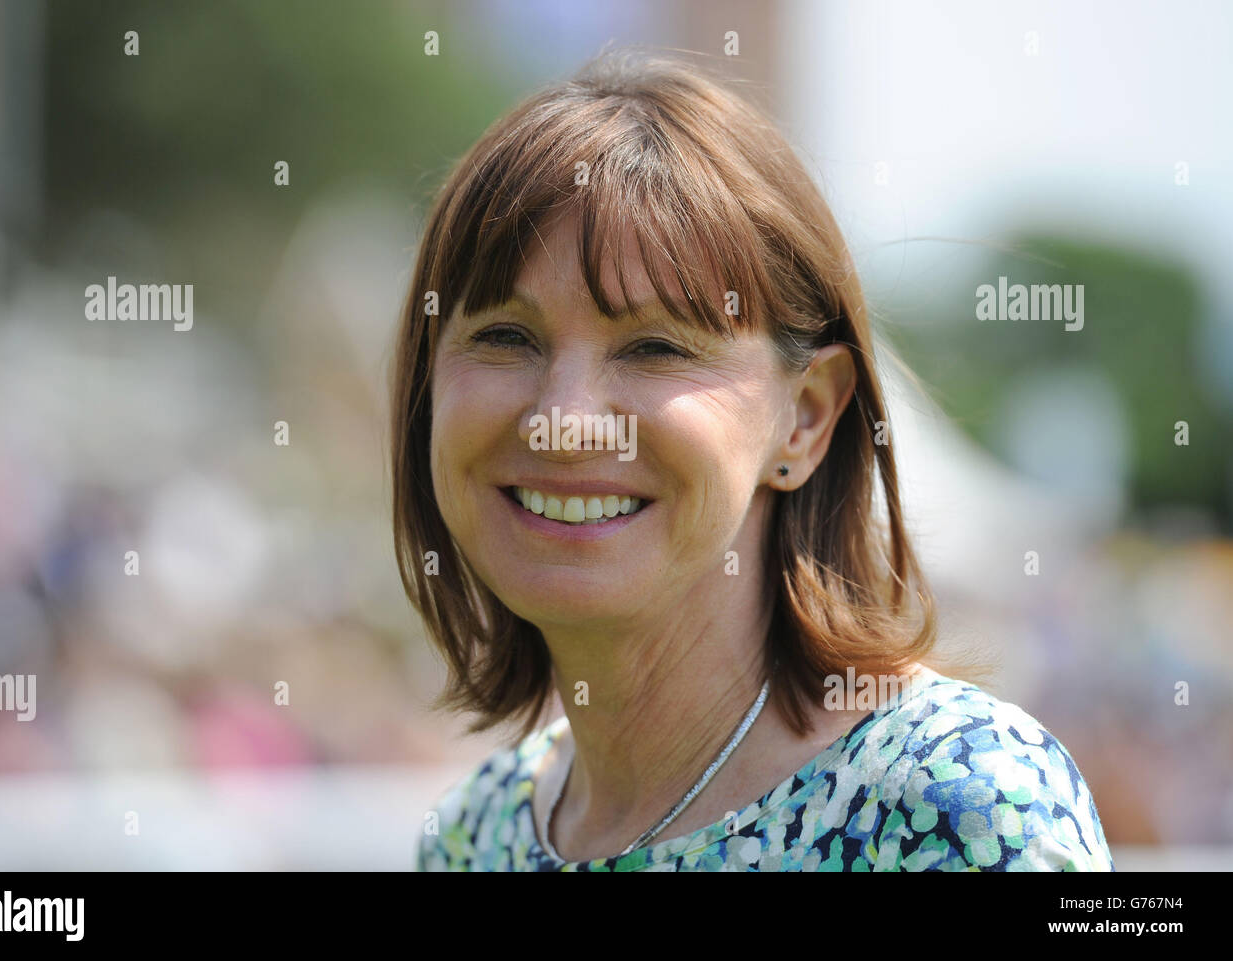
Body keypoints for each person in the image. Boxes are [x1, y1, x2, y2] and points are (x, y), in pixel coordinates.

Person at [393, 47, 1113, 871]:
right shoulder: (471, 839)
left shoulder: (950, 804)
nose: (566, 421)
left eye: (656, 347)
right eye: (505, 337)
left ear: (805, 419)